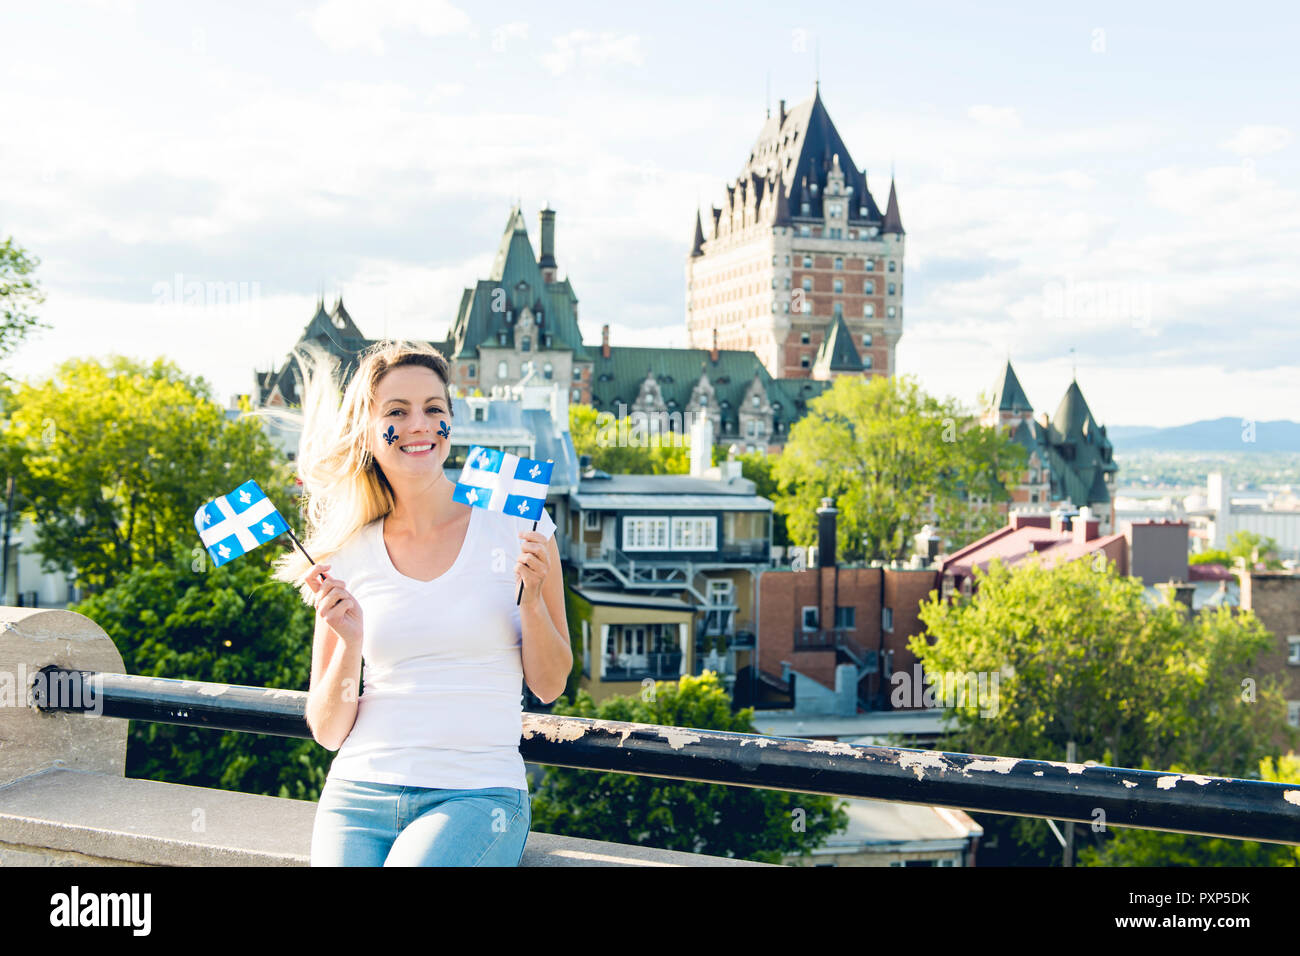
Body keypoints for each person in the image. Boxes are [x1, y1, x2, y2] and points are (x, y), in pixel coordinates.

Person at [265, 338, 571, 866]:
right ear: (368, 427)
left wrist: (532, 602)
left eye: (434, 409)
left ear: (452, 421)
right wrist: (349, 642)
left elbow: (550, 685)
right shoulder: (346, 550)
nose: (419, 425)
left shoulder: (519, 525)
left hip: (476, 795)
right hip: (357, 793)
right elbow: (329, 729)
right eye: (397, 411)